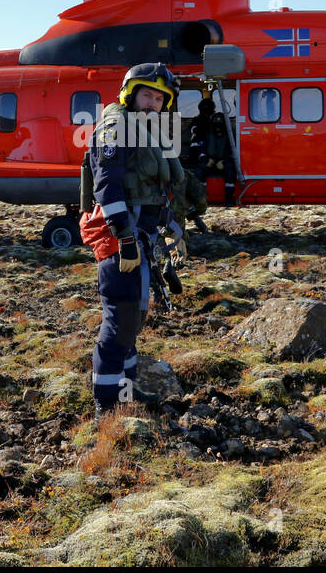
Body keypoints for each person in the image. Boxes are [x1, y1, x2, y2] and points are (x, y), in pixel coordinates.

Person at [78, 63, 187, 419]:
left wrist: (171, 226)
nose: (153, 103)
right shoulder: (116, 128)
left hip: (141, 237)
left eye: (159, 98)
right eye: (147, 94)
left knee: (133, 320)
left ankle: (125, 391)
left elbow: (151, 190)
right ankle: (106, 407)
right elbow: (106, 186)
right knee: (120, 320)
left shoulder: (145, 132)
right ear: (129, 93)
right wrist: (125, 239)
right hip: (120, 239)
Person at [191, 95, 238, 206]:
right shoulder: (207, 134)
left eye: (220, 125)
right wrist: (206, 160)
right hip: (210, 161)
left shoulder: (230, 136)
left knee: (231, 173)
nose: (218, 128)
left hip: (223, 163)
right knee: (198, 172)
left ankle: (228, 200)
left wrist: (225, 161)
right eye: (215, 125)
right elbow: (200, 148)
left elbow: (233, 152)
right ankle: (201, 200)